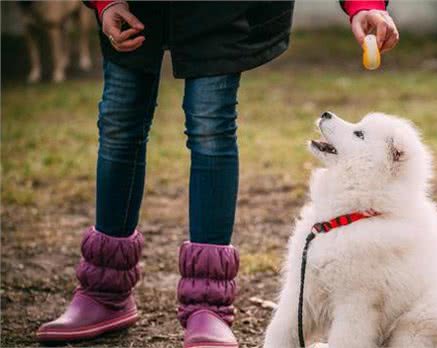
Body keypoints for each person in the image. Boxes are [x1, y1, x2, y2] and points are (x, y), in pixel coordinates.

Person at [36, 1, 399, 347]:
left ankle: (208, 305)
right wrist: (105, 3)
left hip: (218, 9)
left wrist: (362, 3)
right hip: (132, 5)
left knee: (210, 127)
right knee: (118, 122)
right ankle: (105, 290)